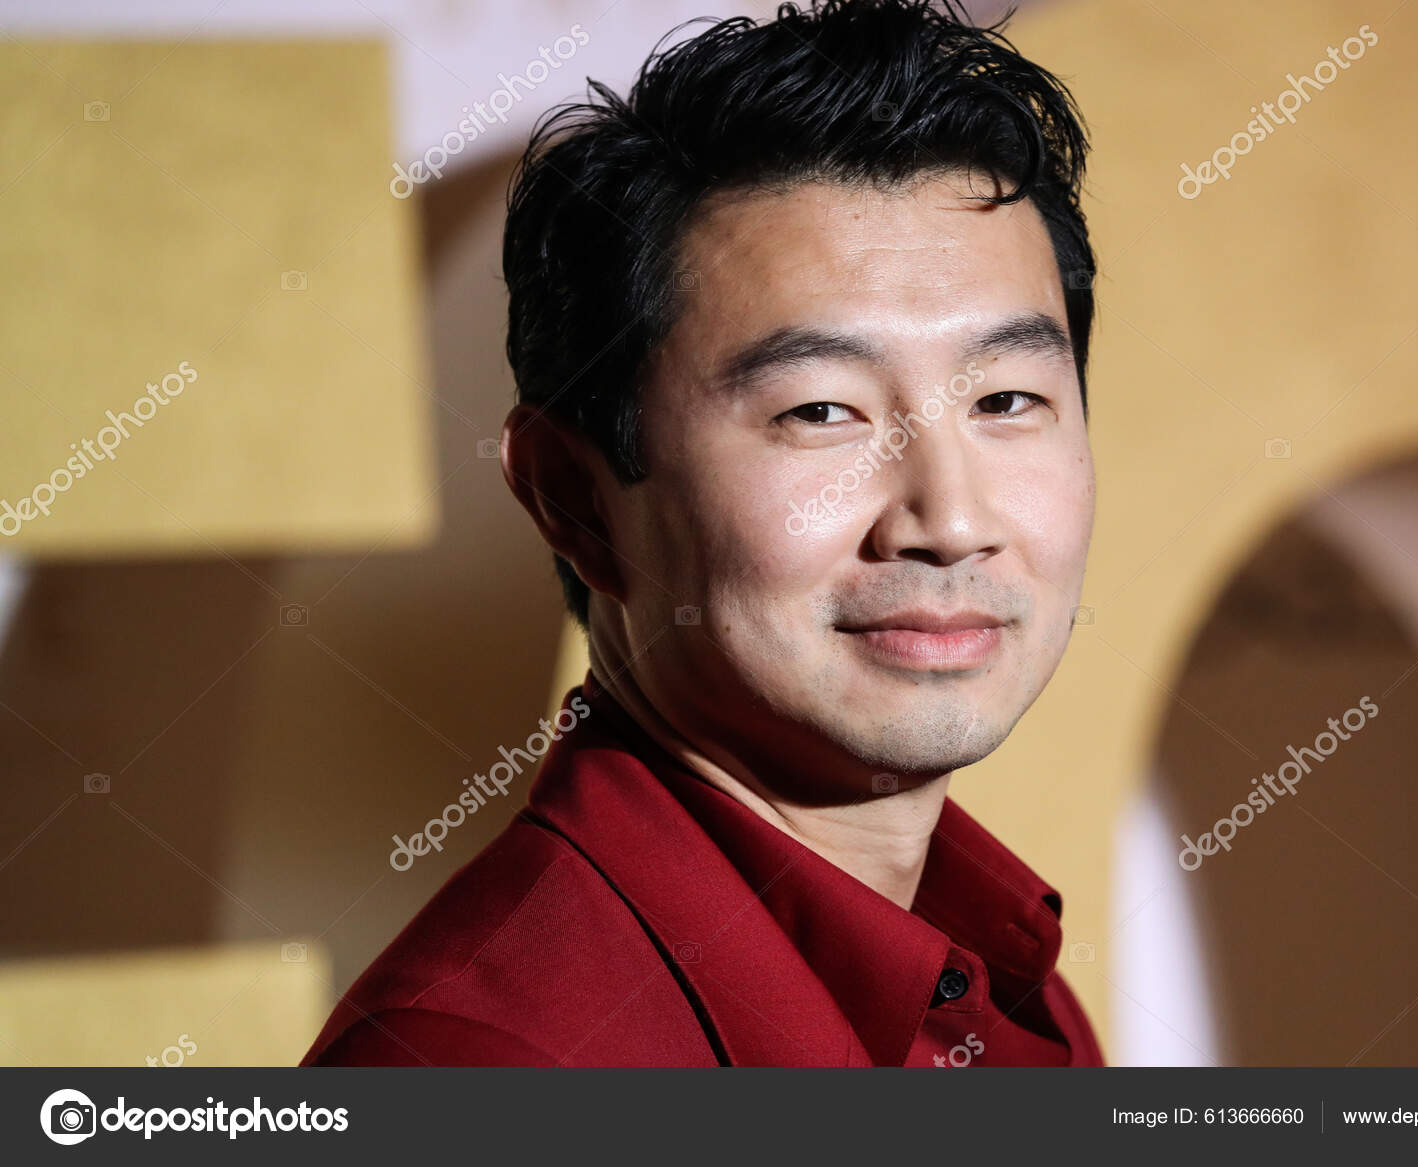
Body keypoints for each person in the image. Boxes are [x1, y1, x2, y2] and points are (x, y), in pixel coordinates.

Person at [304, 0, 1101, 1067]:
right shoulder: (479, 1060)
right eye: (821, 412)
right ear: (574, 499)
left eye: (1005, 400)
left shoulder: (1008, 995)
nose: (949, 521)